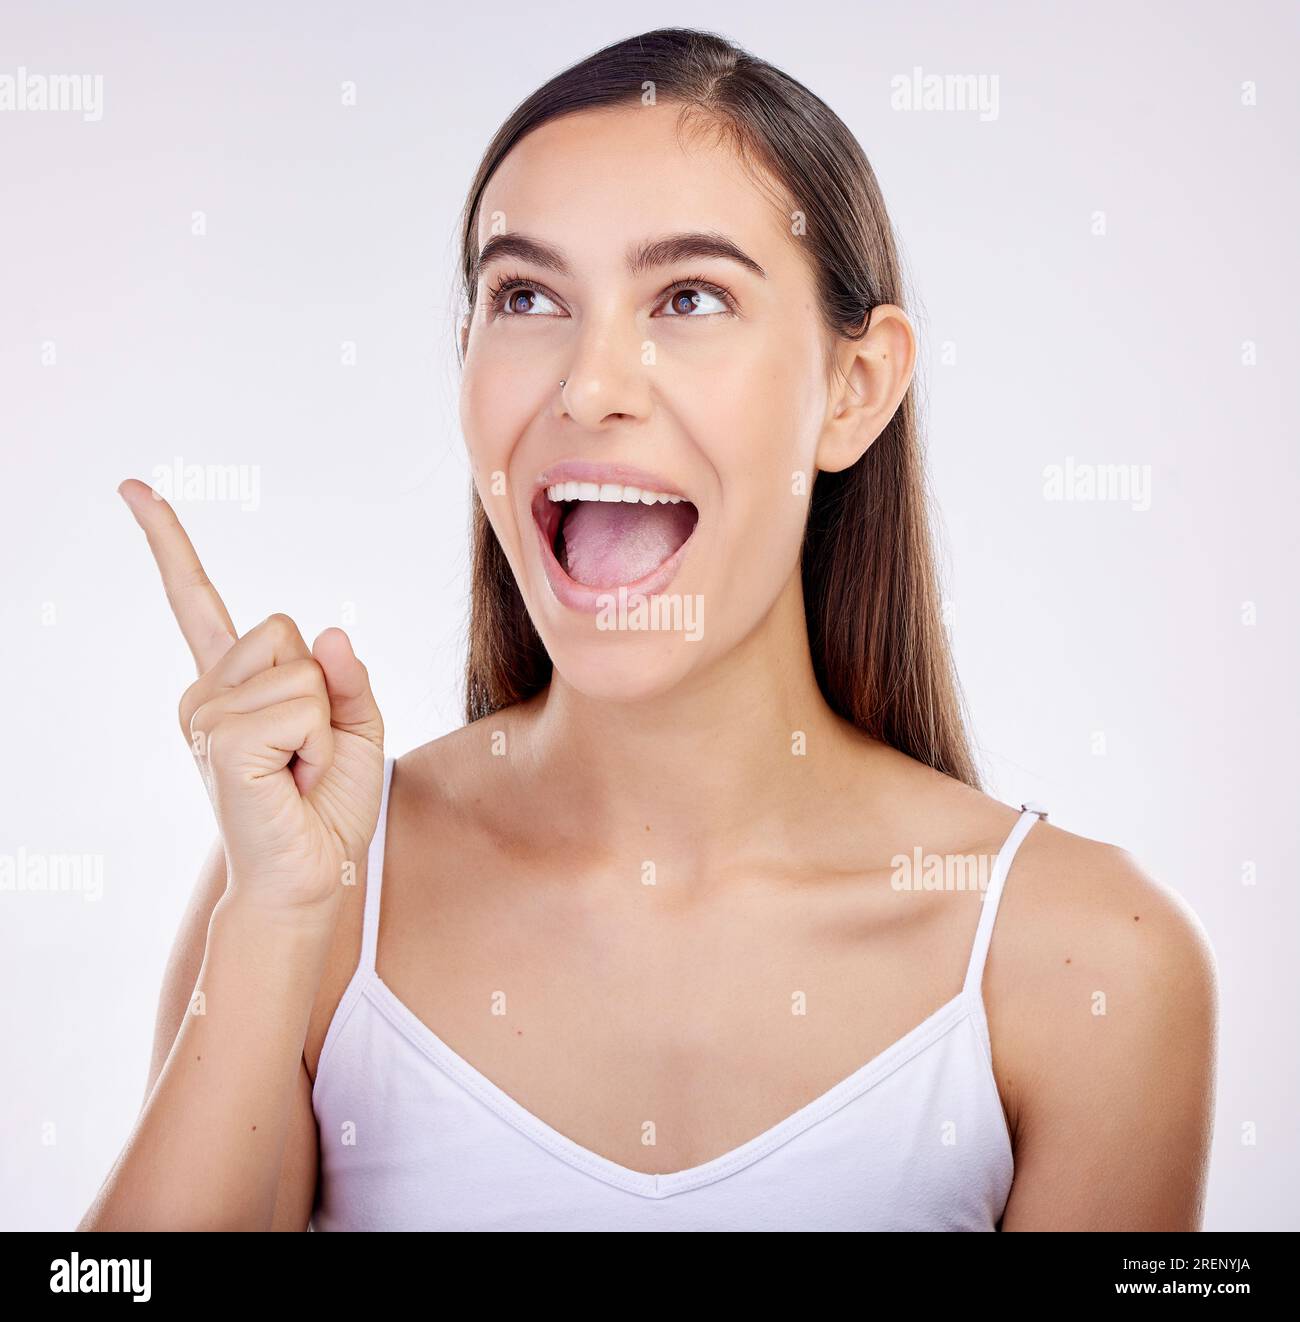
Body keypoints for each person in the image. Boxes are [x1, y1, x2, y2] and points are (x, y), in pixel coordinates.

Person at [81, 27, 1216, 1231]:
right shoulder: (315, 891)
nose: (587, 383)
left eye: (688, 297)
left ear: (856, 387)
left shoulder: (1089, 960)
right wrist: (272, 927)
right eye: (525, 295)